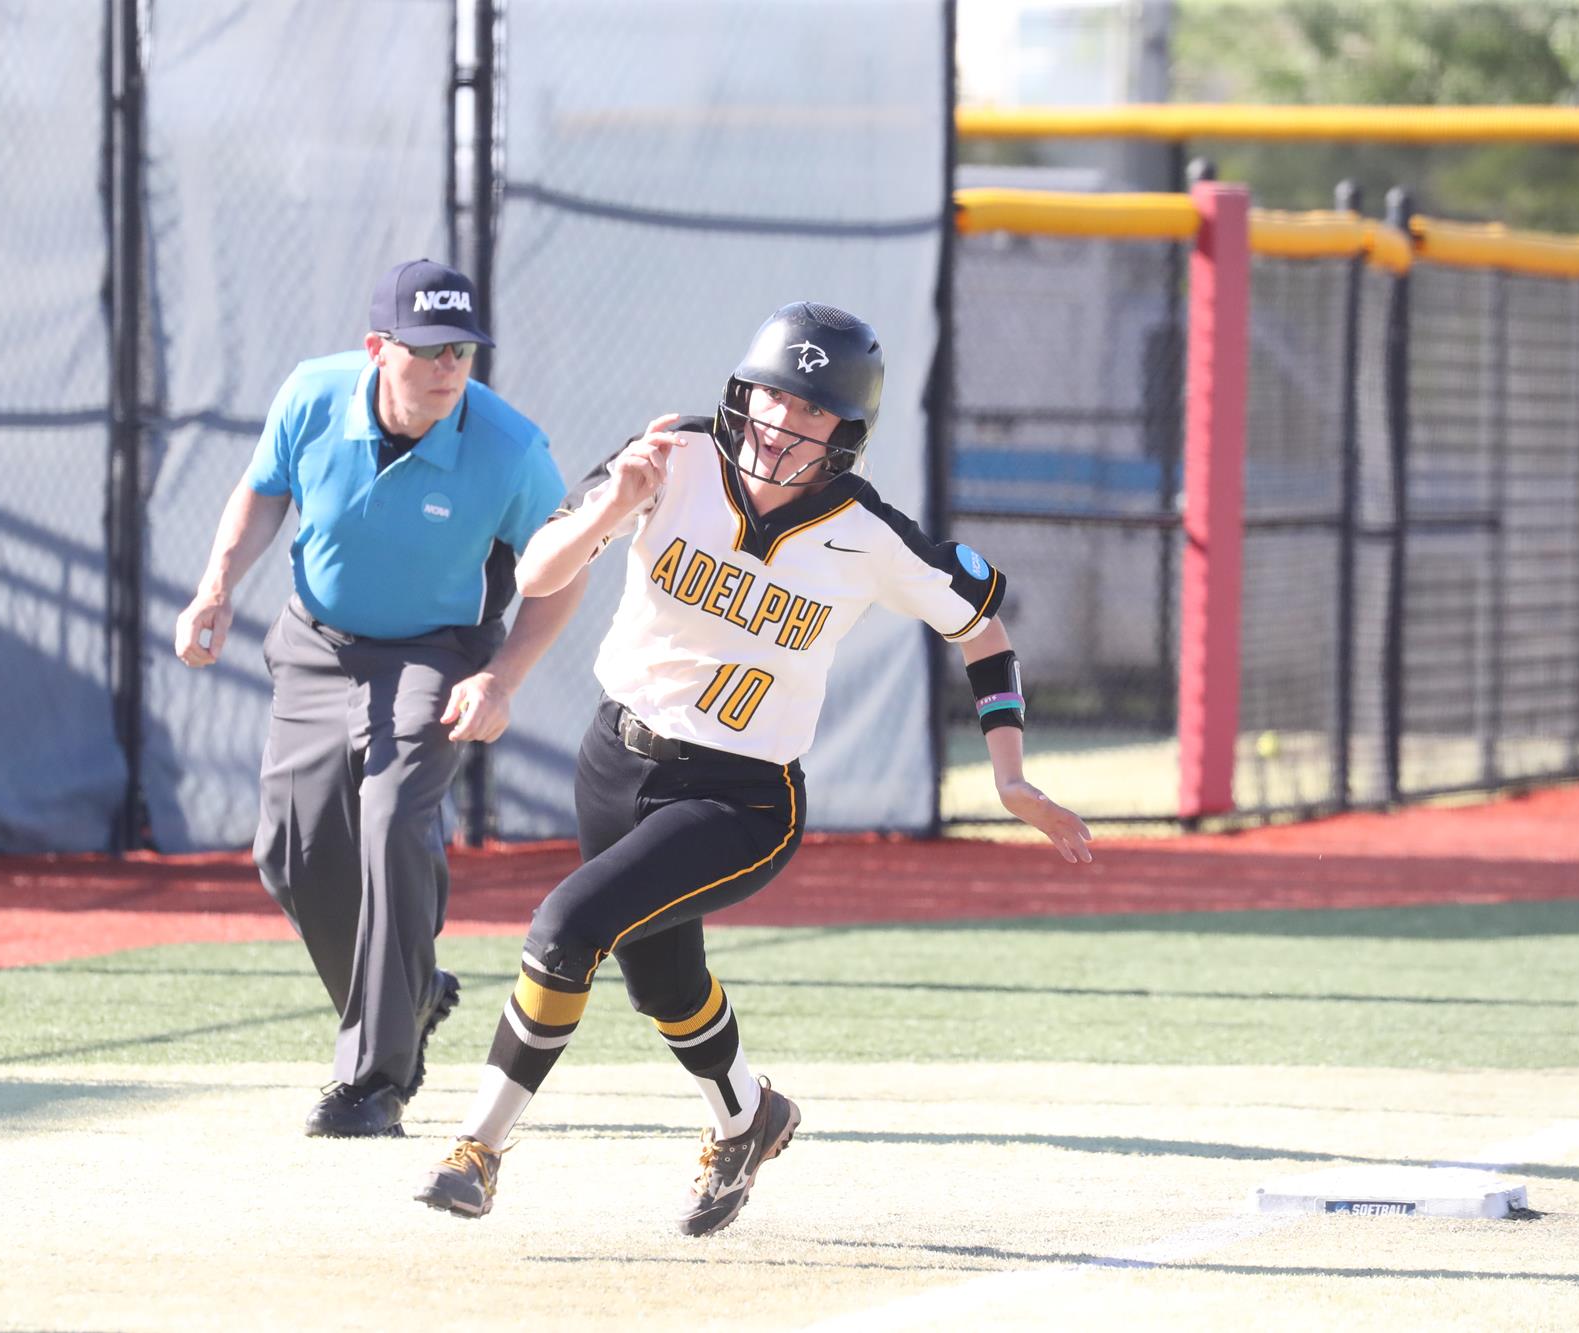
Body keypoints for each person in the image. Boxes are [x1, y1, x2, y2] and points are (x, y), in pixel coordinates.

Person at [413, 301, 1093, 1234]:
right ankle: (750, 1118)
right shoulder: (675, 456)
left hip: (739, 796)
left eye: (811, 408)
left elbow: (981, 628)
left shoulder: (866, 532)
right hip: (614, 758)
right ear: (743, 392)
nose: (782, 421)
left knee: (565, 927)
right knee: (663, 984)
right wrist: (613, 502)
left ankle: (477, 1148)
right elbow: (537, 574)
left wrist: (1009, 774)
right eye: (772, 395)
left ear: (846, 431)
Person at [174, 258, 583, 1139]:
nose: (449, 368)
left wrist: (501, 678)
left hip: (435, 654)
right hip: (315, 644)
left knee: (392, 820)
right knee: (292, 855)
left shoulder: (508, 448)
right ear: (377, 349)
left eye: (462, 350)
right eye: (429, 349)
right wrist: (216, 588)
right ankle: (412, 993)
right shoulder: (311, 395)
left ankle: (373, 1081)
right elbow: (263, 491)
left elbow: (565, 571)